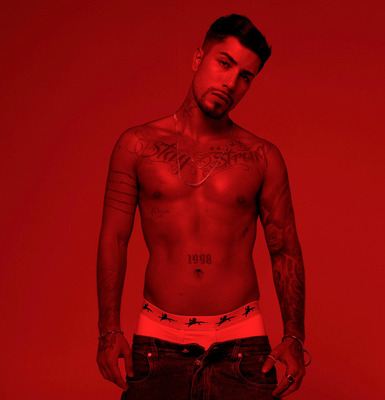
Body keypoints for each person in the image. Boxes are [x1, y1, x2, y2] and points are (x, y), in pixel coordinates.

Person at [96, 14, 308, 400]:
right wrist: (108, 330)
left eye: (245, 76)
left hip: (242, 347)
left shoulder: (262, 157)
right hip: (157, 345)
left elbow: (285, 251)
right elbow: (114, 239)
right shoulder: (137, 146)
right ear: (198, 58)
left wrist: (294, 336)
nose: (230, 83)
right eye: (224, 63)